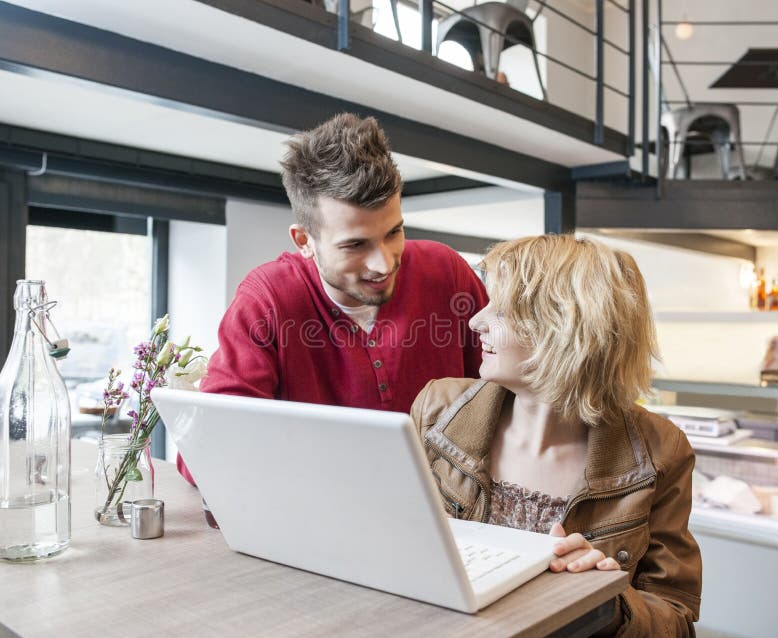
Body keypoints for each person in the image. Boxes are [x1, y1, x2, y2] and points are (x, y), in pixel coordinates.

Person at [411, 235, 701, 636]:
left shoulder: (660, 450)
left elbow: (676, 620)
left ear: (564, 328)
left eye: (502, 311)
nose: (476, 321)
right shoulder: (436, 410)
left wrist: (610, 601)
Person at [179, 113, 488, 483]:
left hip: (454, 511)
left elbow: (507, 402)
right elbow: (206, 455)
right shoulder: (267, 300)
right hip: (320, 514)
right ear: (304, 241)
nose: (383, 263)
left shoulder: (447, 272)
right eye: (355, 245)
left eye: (394, 232)